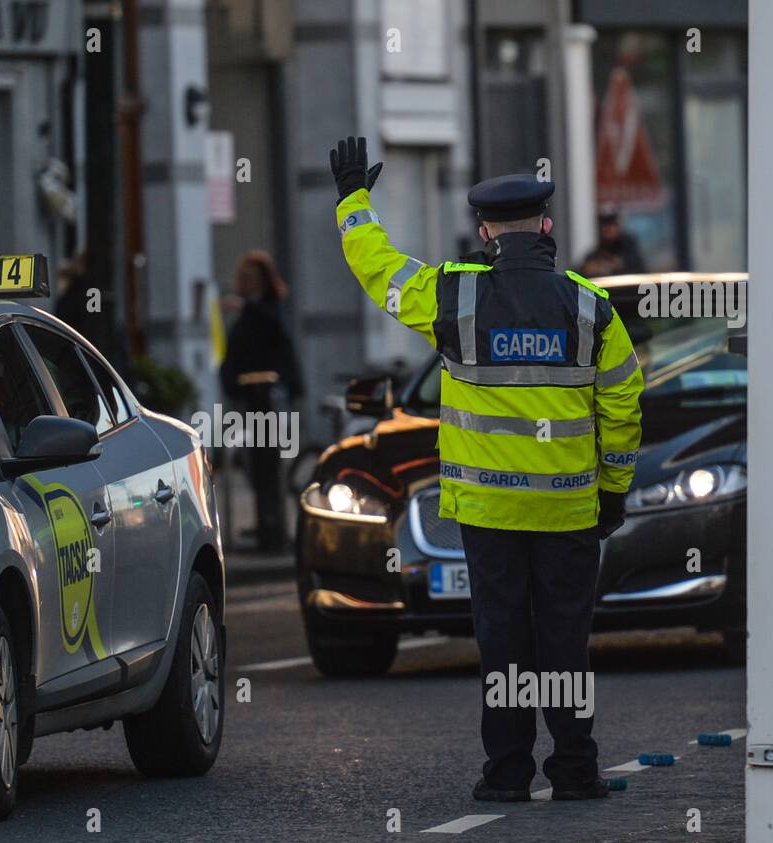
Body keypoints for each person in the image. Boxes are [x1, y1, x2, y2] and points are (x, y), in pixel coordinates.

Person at [329, 136, 644, 801]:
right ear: (547, 228)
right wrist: (613, 489)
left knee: (503, 639)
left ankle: (506, 773)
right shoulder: (590, 305)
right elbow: (623, 403)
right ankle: (575, 768)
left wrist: (353, 200)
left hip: (488, 513)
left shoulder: (456, 298)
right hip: (567, 511)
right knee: (564, 642)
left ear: (484, 231)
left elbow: (379, 272)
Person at [218, 250, 304, 553]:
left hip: (266, 401)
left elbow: (272, 336)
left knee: (269, 465)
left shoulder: (266, 309)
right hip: (249, 400)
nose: (244, 284)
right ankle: (267, 525)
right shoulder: (252, 313)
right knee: (253, 463)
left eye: (249, 279)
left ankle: (274, 529)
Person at [577, 208, 647, 277]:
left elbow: (640, 273)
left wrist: (616, 267)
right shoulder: (595, 254)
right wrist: (586, 270)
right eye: (605, 225)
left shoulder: (630, 250)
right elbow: (577, 273)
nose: (609, 229)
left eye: (612, 225)